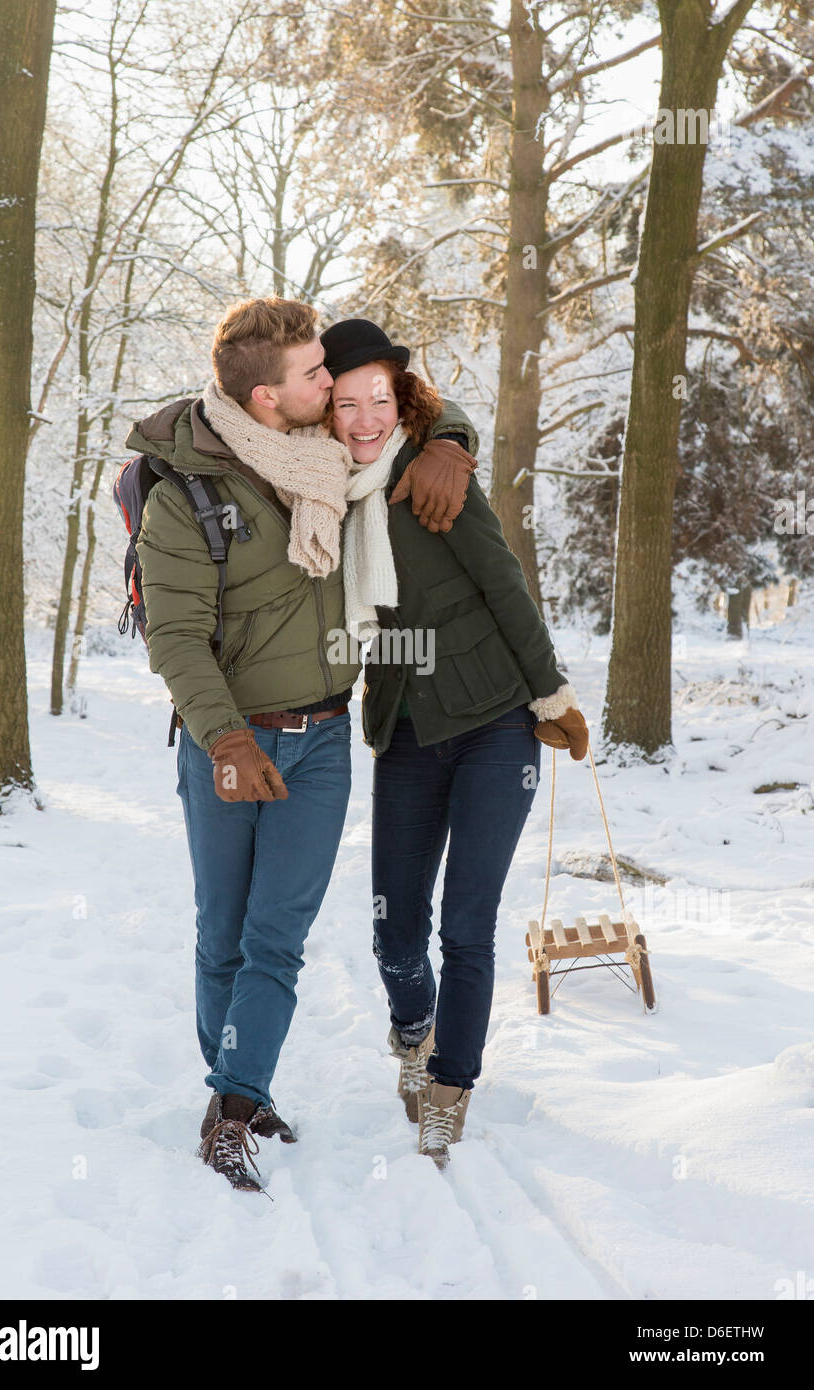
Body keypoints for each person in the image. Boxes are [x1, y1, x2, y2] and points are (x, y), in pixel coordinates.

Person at [129, 297, 477, 1194]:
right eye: (316, 375)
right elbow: (175, 640)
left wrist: (452, 444)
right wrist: (226, 738)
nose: (335, 384)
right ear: (265, 400)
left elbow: (412, 402)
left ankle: (233, 1108)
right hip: (227, 747)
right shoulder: (189, 496)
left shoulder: (335, 463)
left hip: (321, 739)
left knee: (275, 937)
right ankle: (240, 1085)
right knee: (221, 937)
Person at [319, 317, 589, 1170]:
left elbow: (503, 583)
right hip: (404, 726)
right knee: (395, 928)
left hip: (496, 722)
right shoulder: (322, 493)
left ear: (404, 401)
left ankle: (450, 1084)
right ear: (323, 408)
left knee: (468, 925)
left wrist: (551, 693)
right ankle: (413, 1029)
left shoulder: (434, 479)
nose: (365, 419)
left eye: (382, 400)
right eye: (348, 403)